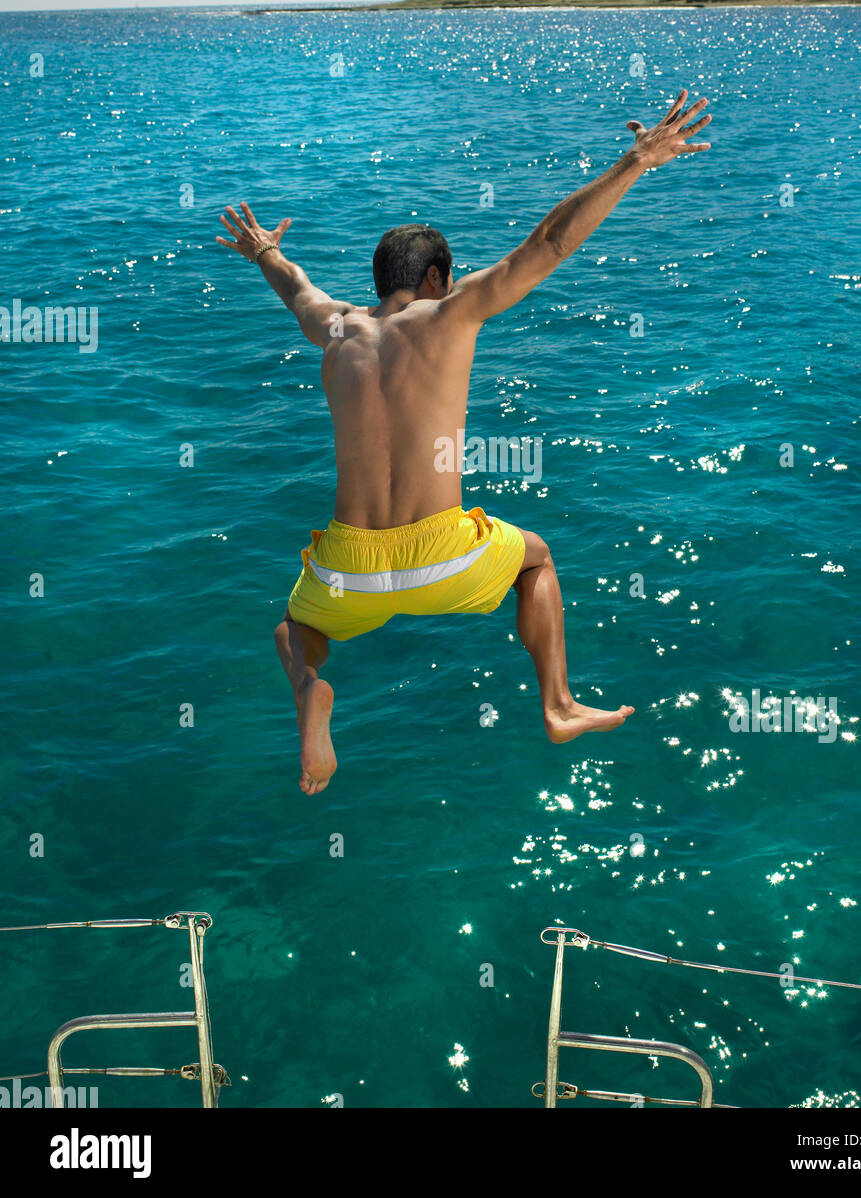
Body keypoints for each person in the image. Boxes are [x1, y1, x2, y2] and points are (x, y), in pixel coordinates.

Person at [217, 91, 712, 794]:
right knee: (534, 562)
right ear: (435, 279)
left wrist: (263, 246)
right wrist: (634, 161)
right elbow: (548, 244)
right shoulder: (449, 315)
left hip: (347, 568)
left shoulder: (334, 328)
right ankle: (558, 705)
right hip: (443, 556)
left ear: (376, 282)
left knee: (294, 630)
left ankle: (310, 692)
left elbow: (293, 285)